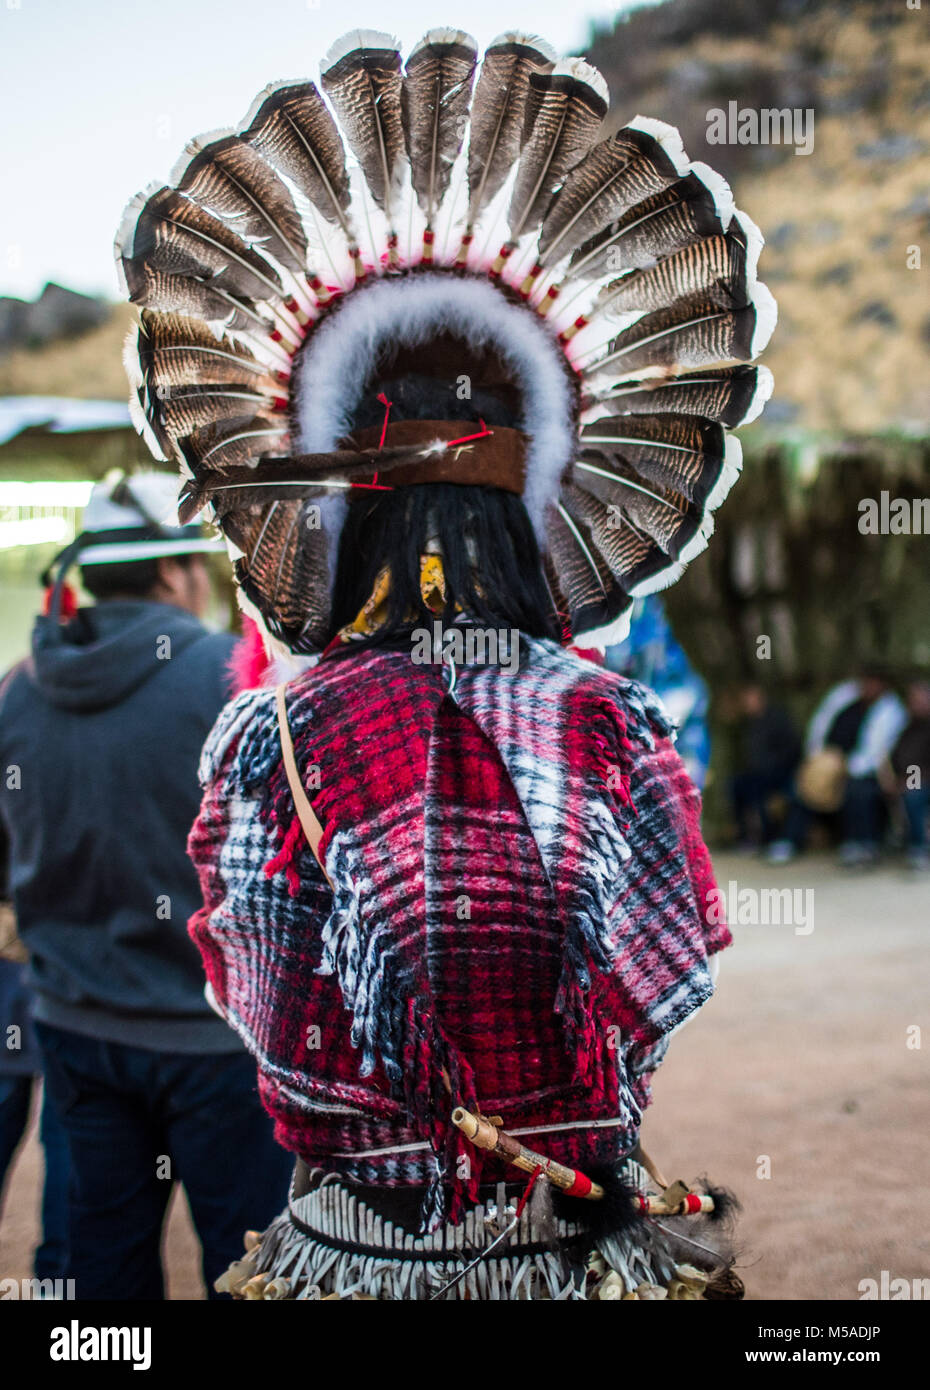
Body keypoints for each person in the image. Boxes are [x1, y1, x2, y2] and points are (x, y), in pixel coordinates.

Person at [116, 26, 777, 1299]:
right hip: (569, 1232)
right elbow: (665, 964)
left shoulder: (282, 730)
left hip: (348, 1244)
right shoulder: (607, 720)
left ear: (348, 514)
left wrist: (390, 1119)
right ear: (540, 506)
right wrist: (549, 1104)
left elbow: (256, 983)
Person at [0, 472, 291, 1301]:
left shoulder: (18, 690)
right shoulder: (229, 682)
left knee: (100, 1273)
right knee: (250, 1272)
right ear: (173, 573)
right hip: (216, 1051)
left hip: (76, 1039)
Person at [768, 668, 907, 866]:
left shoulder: (892, 710)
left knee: (857, 790)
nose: (869, 688)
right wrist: (818, 759)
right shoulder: (843, 695)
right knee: (802, 787)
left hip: (866, 769)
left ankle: (861, 842)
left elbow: (878, 751)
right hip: (827, 758)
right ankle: (789, 840)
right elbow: (820, 723)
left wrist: (846, 767)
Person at [729, 683, 801, 848]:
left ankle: (770, 838)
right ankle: (745, 837)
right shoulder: (747, 724)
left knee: (760, 793)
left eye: (751, 699)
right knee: (735, 786)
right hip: (756, 773)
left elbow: (792, 748)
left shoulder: (778, 719)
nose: (748, 704)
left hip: (778, 772)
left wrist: (773, 765)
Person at [888, 681, 930, 869]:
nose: (916, 703)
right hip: (915, 780)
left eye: (921, 699)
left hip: (922, 779)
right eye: (913, 700)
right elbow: (901, 760)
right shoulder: (907, 729)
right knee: (911, 792)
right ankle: (914, 845)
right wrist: (899, 779)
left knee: (913, 790)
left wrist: (915, 777)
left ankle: (918, 845)